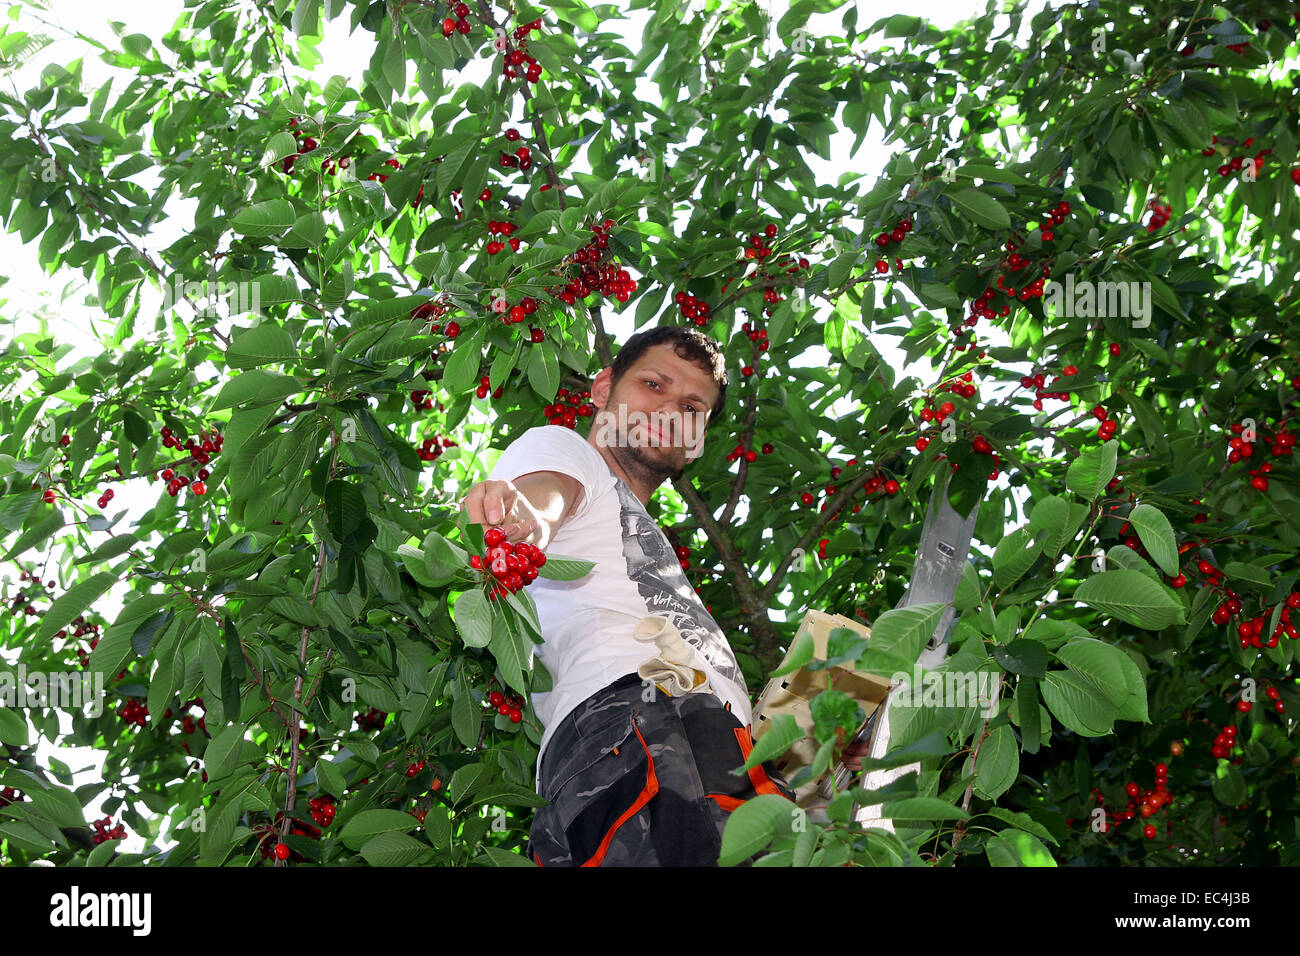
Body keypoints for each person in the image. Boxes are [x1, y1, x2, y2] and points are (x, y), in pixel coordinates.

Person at [459, 325, 795, 866]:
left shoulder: (639, 535)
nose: (668, 410)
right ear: (603, 388)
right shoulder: (569, 453)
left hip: (720, 747)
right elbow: (544, 499)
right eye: (654, 384)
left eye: (692, 406)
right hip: (640, 721)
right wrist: (518, 522)